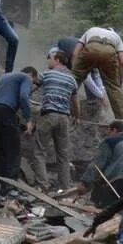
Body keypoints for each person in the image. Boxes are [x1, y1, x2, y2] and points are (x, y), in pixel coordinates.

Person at [29, 48, 78, 192]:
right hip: (64, 118)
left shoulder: (47, 74)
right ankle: (65, 187)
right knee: (63, 155)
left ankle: (43, 186)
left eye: (49, 57)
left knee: (39, 152)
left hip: (48, 116)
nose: (47, 60)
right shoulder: (71, 79)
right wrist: (77, 116)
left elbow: (33, 84)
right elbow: (74, 101)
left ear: (57, 60)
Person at [0, 66, 41, 183]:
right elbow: (23, 96)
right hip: (5, 111)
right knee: (13, 149)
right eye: (34, 83)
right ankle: (11, 184)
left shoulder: (4, 77)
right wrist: (29, 119)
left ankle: (2, 182)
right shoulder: (26, 77)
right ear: (33, 76)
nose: (32, 87)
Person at [72, 26, 123, 123]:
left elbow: (75, 53)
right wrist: (118, 82)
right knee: (114, 89)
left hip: (91, 48)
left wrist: (74, 71)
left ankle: (59, 105)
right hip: (109, 52)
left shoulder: (91, 30)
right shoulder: (116, 36)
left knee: (72, 81)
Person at [87, 120, 123, 202]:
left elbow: (98, 163)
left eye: (109, 131)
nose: (107, 134)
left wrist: (85, 182)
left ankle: (93, 205)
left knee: (102, 205)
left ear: (114, 130)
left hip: (117, 180)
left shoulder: (110, 141)